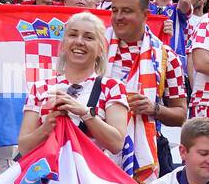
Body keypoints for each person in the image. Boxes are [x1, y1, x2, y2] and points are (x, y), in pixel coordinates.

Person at [18, 12, 128, 157]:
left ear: (101, 49)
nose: (79, 42)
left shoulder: (112, 86)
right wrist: (46, 127)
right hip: (48, 175)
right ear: (63, 44)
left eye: (89, 37)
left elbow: (116, 144)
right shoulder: (40, 87)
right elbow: (24, 148)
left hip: (89, 175)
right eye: (73, 35)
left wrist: (85, 113)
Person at [107, 0, 187, 182]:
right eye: (114, 10)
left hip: (147, 153)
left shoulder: (167, 57)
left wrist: (153, 108)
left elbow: (180, 115)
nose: (118, 17)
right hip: (98, 146)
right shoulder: (96, 49)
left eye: (126, 11)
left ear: (145, 15)